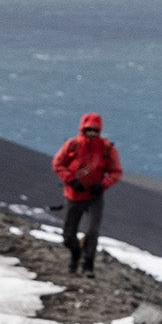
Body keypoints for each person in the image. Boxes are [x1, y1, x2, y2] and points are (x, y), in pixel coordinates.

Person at [50, 111, 123, 276]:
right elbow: (57, 164)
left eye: (95, 130)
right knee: (68, 235)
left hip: (94, 197)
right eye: (89, 130)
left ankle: (88, 264)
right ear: (83, 129)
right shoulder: (73, 144)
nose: (91, 133)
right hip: (73, 196)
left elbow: (116, 171)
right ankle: (75, 254)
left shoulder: (107, 148)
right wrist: (70, 179)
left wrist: (103, 185)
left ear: (99, 131)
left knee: (92, 231)